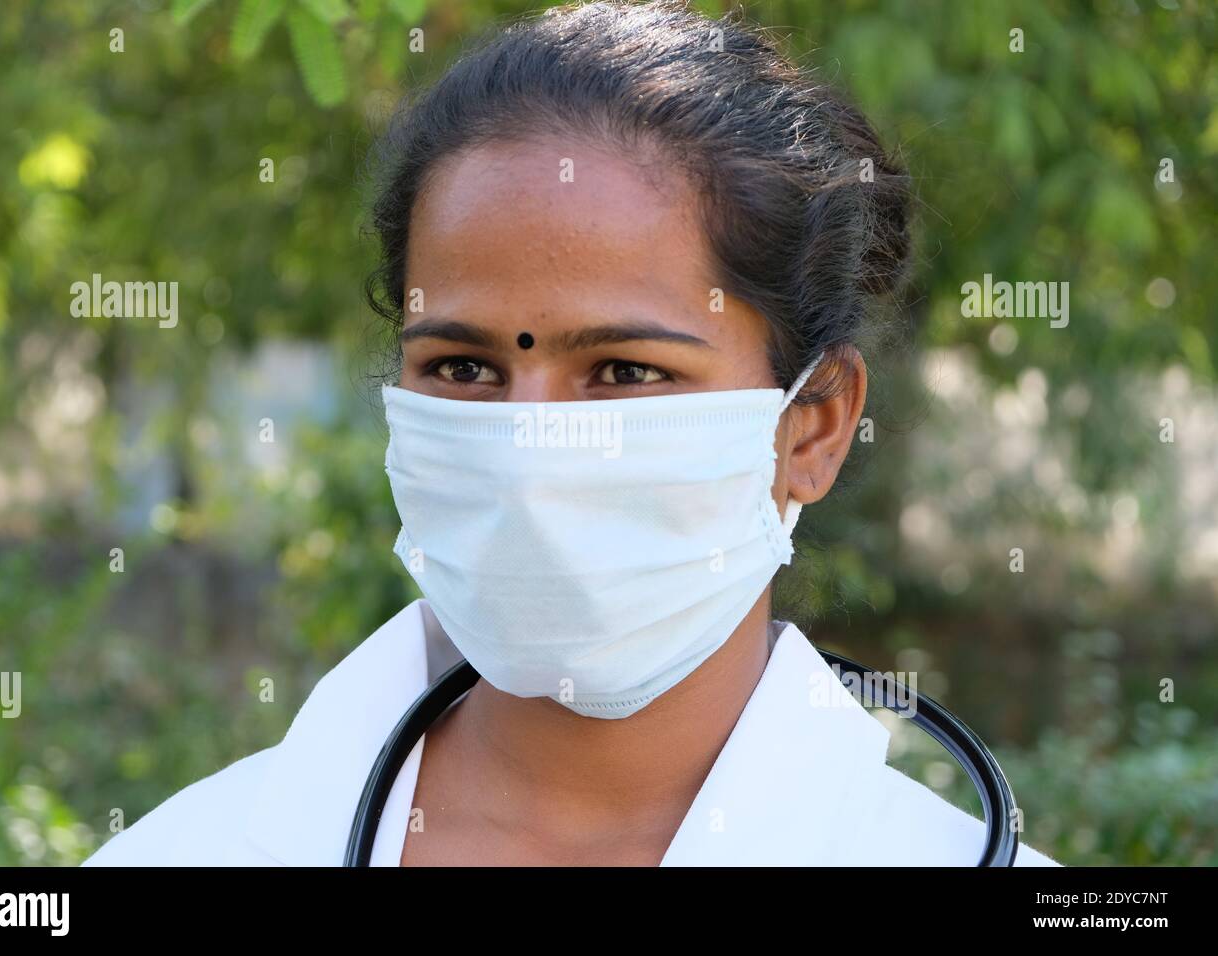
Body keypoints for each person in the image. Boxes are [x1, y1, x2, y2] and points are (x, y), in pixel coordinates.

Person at [85, 0, 1060, 867]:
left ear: (812, 425)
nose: (528, 450)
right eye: (463, 367)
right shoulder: (183, 849)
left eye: (625, 370)